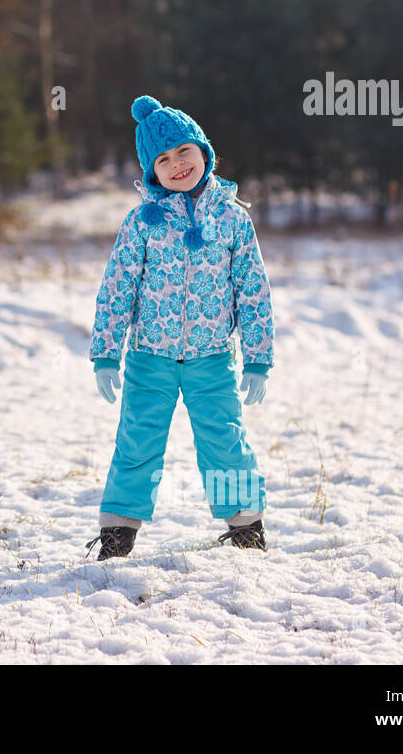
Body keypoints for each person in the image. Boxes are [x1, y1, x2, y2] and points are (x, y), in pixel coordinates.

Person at [86, 95, 275, 560]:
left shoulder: (232, 220)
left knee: (226, 444)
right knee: (136, 443)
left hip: (211, 359)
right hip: (150, 358)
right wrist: (106, 353)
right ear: (152, 171)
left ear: (204, 151)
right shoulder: (141, 224)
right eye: (163, 159)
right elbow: (118, 288)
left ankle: (247, 530)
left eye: (183, 151)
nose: (176, 165)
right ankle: (116, 538)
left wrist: (258, 358)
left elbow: (252, 291)